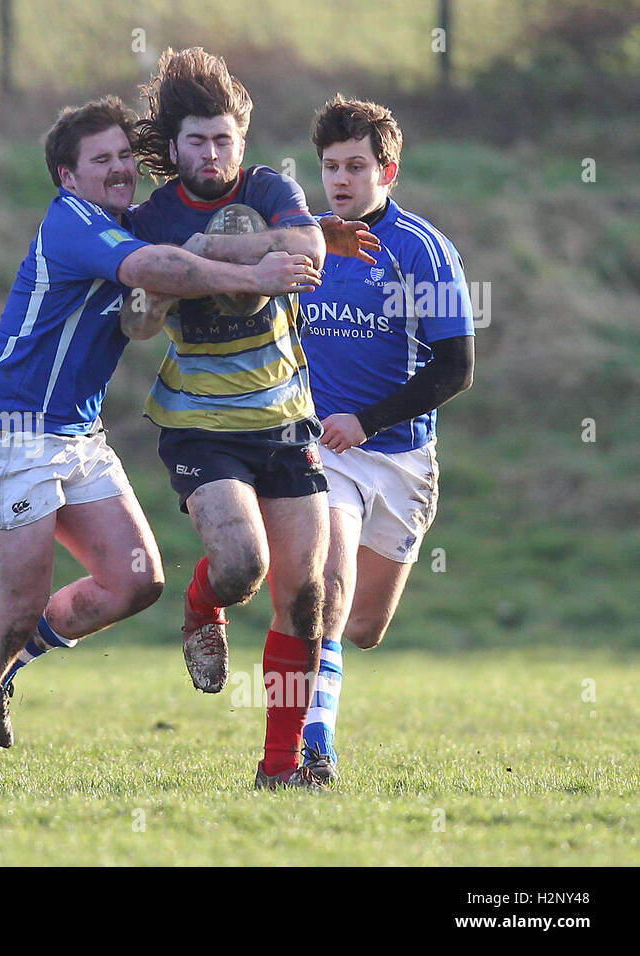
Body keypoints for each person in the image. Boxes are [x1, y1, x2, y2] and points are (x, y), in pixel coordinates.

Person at [0, 95, 322, 788]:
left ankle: (0, 663)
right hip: (10, 433)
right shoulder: (77, 225)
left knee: (136, 581)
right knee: (13, 612)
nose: (117, 170)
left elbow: (161, 283)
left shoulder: (125, 223)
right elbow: (154, 271)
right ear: (67, 177)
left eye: (123, 158)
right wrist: (254, 274)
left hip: (75, 434)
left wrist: (294, 240)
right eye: (98, 160)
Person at [125, 48, 375, 790]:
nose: (213, 153)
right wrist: (187, 264)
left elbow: (306, 251)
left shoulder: (271, 187)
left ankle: (278, 771)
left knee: (309, 599)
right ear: (174, 148)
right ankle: (202, 605)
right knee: (242, 567)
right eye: (198, 141)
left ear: (242, 138)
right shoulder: (150, 215)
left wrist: (198, 255)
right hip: (199, 423)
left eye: (224, 139)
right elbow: (138, 322)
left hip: (285, 418)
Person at [299, 95, 475, 777]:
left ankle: (314, 695)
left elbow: (456, 369)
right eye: (329, 167)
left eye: (355, 166)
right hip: (324, 451)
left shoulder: (422, 251)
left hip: (400, 459)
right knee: (329, 591)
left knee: (362, 627)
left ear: (388, 169)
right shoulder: (305, 238)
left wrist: (368, 421)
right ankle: (315, 747)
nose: (340, 180)